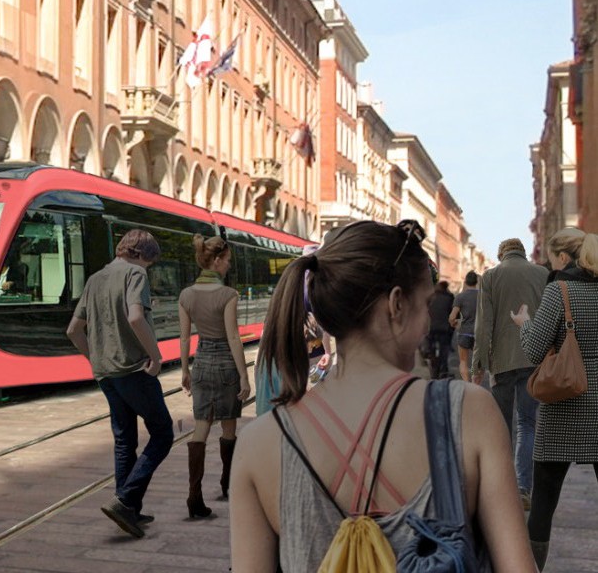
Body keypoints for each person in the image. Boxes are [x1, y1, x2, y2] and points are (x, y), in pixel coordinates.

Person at [228, 220, 534, 573]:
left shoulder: (258, 442)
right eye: (424, 304)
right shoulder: (469, 412)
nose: (425, 325)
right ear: (397, 304)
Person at [65, 228, 171, 539]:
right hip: (134, 369)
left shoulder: (95, 278)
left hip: (106, 373)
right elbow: (136, 317)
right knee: (163, 434)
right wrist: (156, 356)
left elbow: (74, 330)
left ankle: (129, 511)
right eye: (148, 264)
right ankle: (125, 500)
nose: (147, 269)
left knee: (125, 440)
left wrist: (95, 358)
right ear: (140, 256)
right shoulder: (135, 274)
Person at [514, 226, 598, 570]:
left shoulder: (560, 290)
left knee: (545, 502)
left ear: (565, 257)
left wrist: (524, 322)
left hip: (564, 403)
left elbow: (535, 351)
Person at [178, 233, 251, 519]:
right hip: (225, 364)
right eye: (228, 261)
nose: (229, 266)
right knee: (228, 428)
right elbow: (233, 337)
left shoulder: (186, 295)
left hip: (202, 362)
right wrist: (244, 376)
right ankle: (227, 483)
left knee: (201, 428)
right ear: (217, 260)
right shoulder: (227, 295)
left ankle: (194, 495)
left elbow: (185, 338)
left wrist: (185, 369)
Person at [473, 237, 547, 507]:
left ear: (501, 254)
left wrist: (477, 364)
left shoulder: (490, 277)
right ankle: (523, 487)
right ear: (523, 253)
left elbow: (484, 324)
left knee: (502, 426)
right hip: (534, 358)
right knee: (527, 422)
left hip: (501, 362)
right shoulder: (542, 274)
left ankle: (501, 488)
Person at [450, 270, 480, 383]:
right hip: (479, 333)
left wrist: (454, 324)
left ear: (466, 282)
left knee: (463, 362)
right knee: (477, 363)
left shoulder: (460, 297)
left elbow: (452, 317)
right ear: (476, 282)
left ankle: (467, 383)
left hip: (465, 333)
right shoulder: (483, 296)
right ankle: (475, 382)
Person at [425, 278, 455, 378]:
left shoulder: (430, 296)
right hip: (444, 329)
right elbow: (453, 314)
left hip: (431, 328)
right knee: (444, 348)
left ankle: (431, 359)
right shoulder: (450, 297)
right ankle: (443, 369)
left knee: (431, 346)